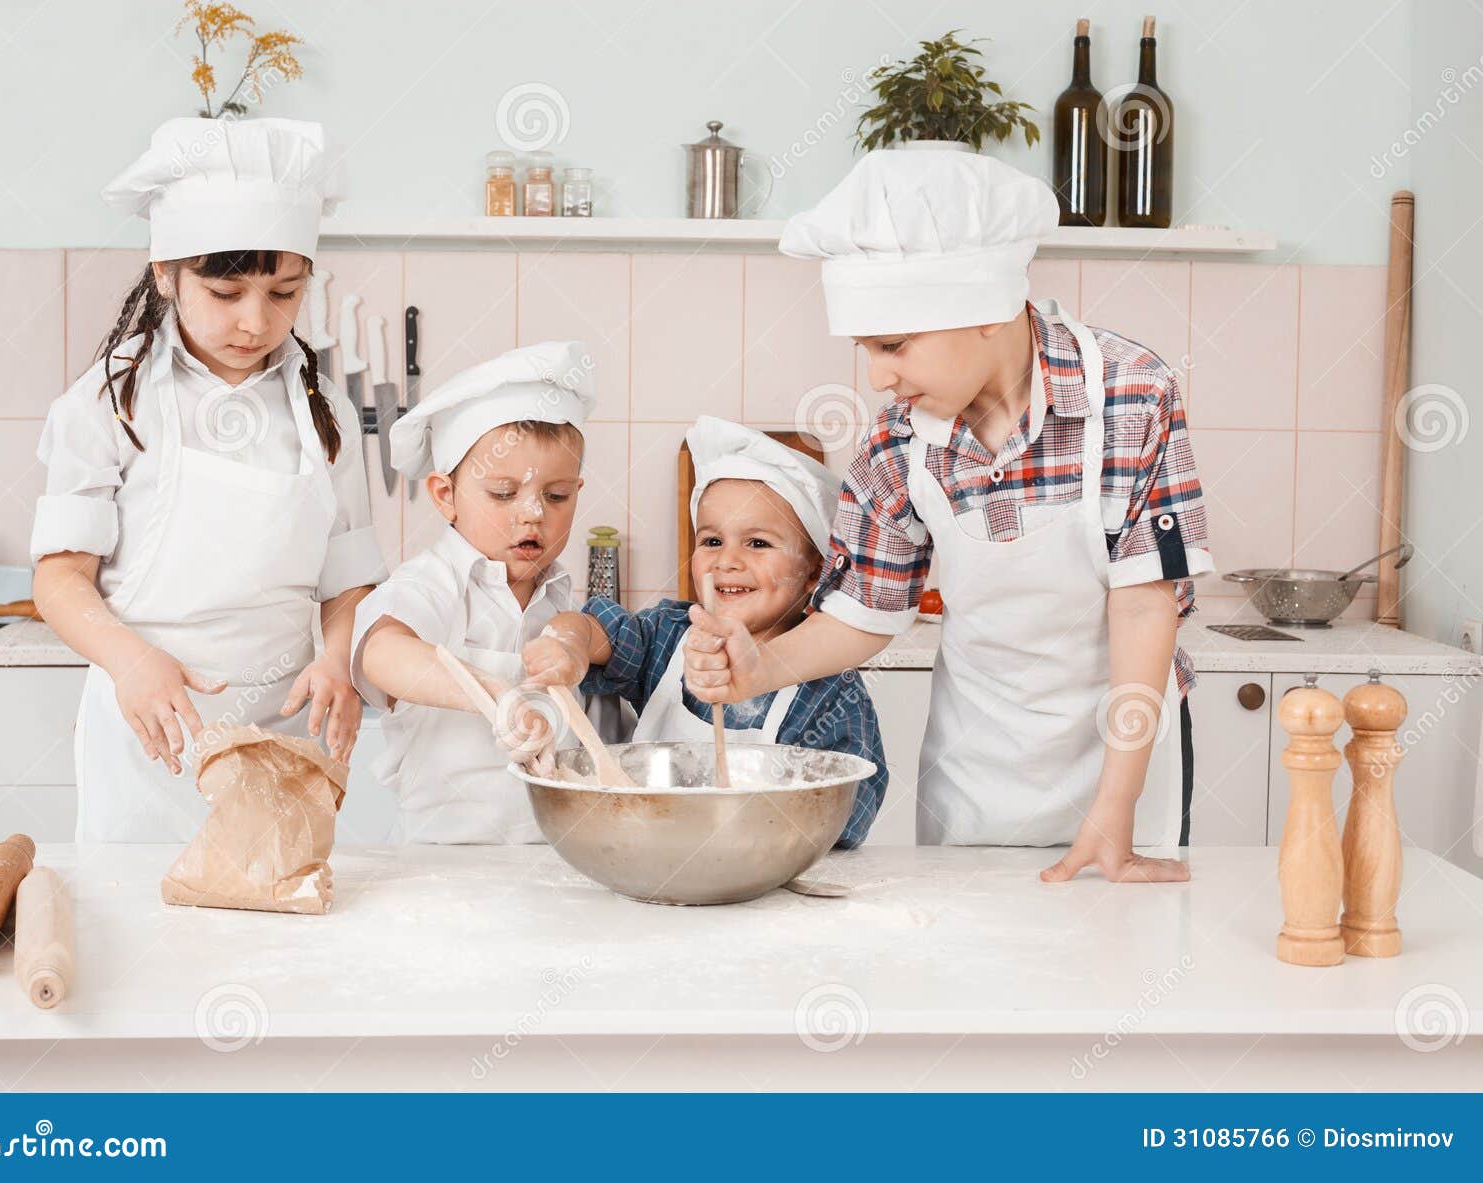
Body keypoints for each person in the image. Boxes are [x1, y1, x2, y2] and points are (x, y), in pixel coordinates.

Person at [683, 147, 1214, 883]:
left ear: (987, 311)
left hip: (1126, 762)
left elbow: (1145, 607)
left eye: (895, 344)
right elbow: (865, 611)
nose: (879, 375)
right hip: (977, 769)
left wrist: (1112, 809)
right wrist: (759, 668)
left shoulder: (1132, 395)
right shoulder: (897, 441)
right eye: (868, 348)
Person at [31, 117, 385, 842]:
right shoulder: (107, 405)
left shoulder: (329, 415)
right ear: (165, 273)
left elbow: (348, 582)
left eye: (284, 292)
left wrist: (337, 658)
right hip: (149, 742)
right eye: (226, 293)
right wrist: (131, 661)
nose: (256, 321)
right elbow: (60, 577)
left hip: (284, 738)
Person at [520, 416, 887, 847]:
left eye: (757, 543)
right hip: (650, 859)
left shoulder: (830, 691)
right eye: (712, 541)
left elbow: (848, 818)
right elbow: (597, 629)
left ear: (814, 573)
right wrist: (567, 642)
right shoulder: (670, 635)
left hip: (765, 881)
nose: (726, 561)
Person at [350, 341, 595, 843]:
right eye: (504, 494)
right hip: (442, 864)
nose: (532, 513)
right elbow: (381, 654)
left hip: (549, 861)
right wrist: (495, 694)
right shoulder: (432, 583)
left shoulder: (562, 600)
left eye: (556, 495)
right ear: (446, 497)